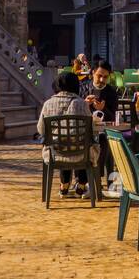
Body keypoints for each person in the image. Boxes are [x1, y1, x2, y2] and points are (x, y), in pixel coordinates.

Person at [37, 70, 96, 198]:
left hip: (55, 154)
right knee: (82, 142)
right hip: (81, 154)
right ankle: (81, 184)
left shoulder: (48, 104)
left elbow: (41, 129)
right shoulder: (82, 104)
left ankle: (64, 185)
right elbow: (91, 130)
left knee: (62, 141)